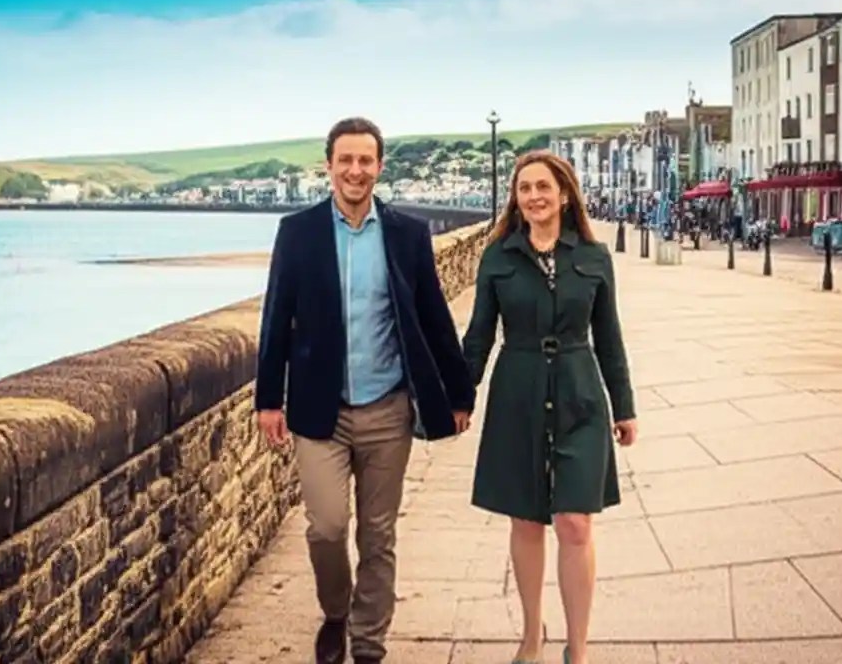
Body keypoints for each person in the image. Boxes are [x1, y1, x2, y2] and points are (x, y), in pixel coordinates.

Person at [254, 116, 476, 664]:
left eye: (365, 160)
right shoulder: (298, 232)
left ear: (380, 166)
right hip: (318, 412)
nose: (355, 170)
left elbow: (433, 317)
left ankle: (369, 643)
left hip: (387, 409)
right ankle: (336, 612)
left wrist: (458, 393)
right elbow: (276, 317)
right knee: (326, 528)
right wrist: (268, 399)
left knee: (378, 535)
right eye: (345, 160)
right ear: (328, 166)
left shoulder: (407, 234)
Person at [460, 149, 638, 664]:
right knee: (525, 519)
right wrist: (460, 397)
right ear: (515, 199)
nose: (533, 196)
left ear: (563, 194)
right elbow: (478, 336)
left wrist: (623, 406)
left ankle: (577, 648)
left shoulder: (594, 257)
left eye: (543, 187)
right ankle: (531, 635)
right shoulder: (498, 257)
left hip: (580, 393)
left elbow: (609, 338)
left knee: (575, 523)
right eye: (524, 188)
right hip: (516, 391)